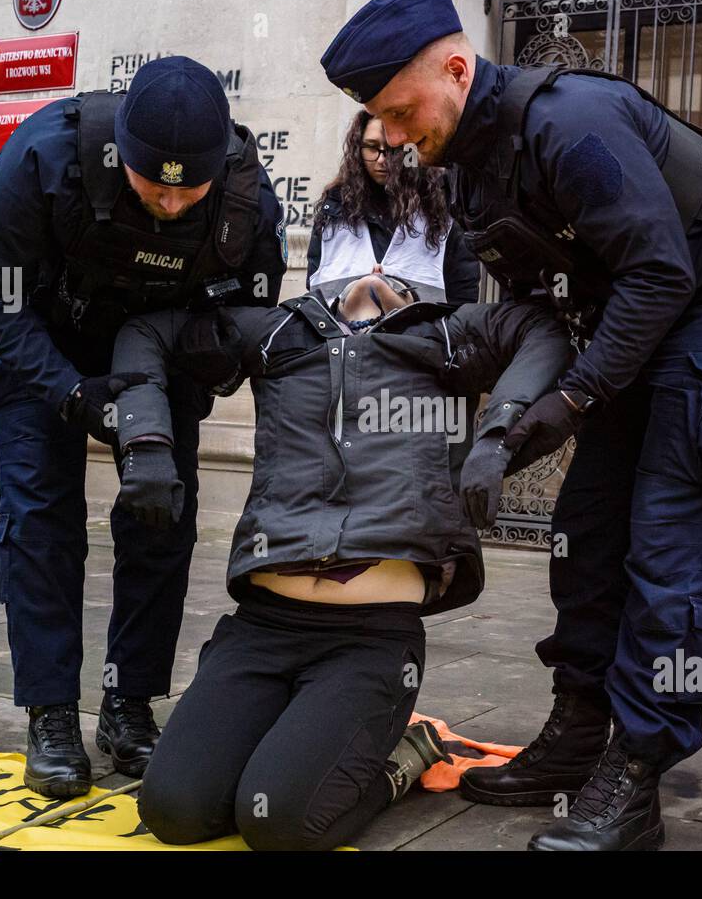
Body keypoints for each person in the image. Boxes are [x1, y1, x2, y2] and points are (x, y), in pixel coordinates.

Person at [320, 0, 702, 850]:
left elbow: (658, 275)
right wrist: (513, 421)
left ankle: (637, 773)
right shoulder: (470, 172)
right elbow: (531, 317)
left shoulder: (569, 124)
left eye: (399, 112)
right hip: (637, 320)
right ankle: (580, 733)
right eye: (378, 121)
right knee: (586, 531)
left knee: (668, 544)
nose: (391, 140)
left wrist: (576, 398)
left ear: (457, 68)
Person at [112, 275, 570, 850]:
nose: (374, 277)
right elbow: (145, 330)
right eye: (360, 267)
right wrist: (146, 439)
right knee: (174, 811)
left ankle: (406, 752)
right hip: (260, 628)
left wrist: (499, 430)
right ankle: (290, 742)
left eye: (394, 279)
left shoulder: (446, 334)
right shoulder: (280, 330)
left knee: (280, 823)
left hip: (368, 641)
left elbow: (545, 327)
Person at [0, 56, 287, 798]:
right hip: (41, 347)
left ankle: (128, 704)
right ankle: (50, 712)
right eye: (152, 184)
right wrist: (73, 392)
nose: (169, 203)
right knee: (41, 520)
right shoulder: (45, 153)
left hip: (160, 360)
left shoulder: (244, 197)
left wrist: (177, 389)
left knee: (161, 519)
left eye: (186, 187)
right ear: (121, 156)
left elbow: (247, 317)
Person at [308, 109, 479, 305]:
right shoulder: (333, 211)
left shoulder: (443, 209)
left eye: (391, 149)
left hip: (421, 334)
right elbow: (314, 292)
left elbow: (464, 298)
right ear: (358, 150)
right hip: (341, 334)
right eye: (372, 147)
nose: (382, 160)